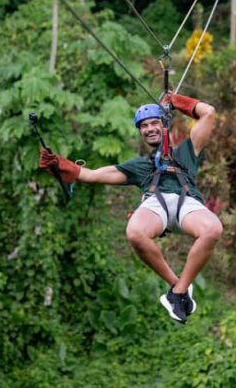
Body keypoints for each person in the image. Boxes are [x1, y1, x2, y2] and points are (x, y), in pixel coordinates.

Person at [39, 92, 222, 324]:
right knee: (135, 232)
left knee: (213, 229)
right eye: (144, 126)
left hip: (186, 202)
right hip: (156, 204)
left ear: (164, 124)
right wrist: (59, 164)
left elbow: (208, 113)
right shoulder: (139, 165)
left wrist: (176, 101)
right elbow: (91, 175)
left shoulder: (187, 150)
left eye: (154, 123)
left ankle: (178, 291)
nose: (149, 129)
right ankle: (177, 287)